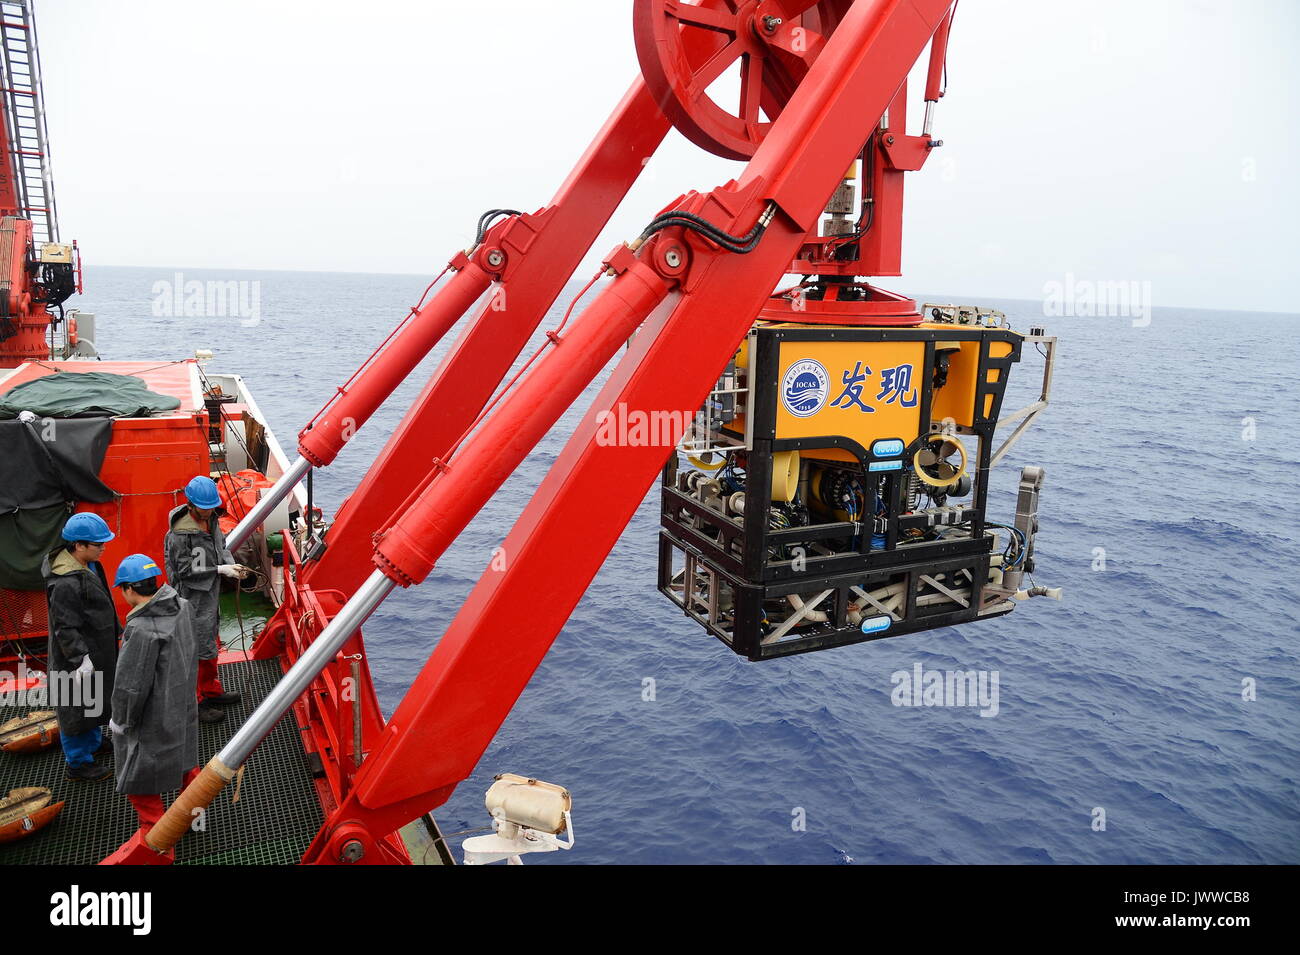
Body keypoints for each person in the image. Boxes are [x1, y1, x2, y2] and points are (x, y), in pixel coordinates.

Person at [109, 554, 200, 836]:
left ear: (129, 589)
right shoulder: (182, 606)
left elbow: (131, 685)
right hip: (182, 702)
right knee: (187, 764)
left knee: (138, 777)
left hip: (154, 713)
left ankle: (159, 835)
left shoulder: (140, 629)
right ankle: (195, 817)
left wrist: (121, 720)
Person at [43, 511, 120, 782]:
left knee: (93, 699)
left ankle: (94, 742)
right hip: (75, 657)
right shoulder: (65, 582)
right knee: (74, 708)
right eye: (98, 544)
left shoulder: (88, 565)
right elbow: (65, 626)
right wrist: (80, 659)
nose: (103, 548)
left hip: (96, 648)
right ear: (78, 546)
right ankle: (78, 763)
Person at [164, 475, 248, 723]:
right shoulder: (180, 535)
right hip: (190, 597)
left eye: (212, 506)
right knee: (193, 650)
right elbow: (183, 571)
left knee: (209, 641)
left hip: (209, 593)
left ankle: (211, 689)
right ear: (190, 504)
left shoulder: (210, 519)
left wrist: (232, 566)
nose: (210, 510)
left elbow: (221, 547)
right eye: (205, 506)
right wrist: (220, 571)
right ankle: (196, 702)